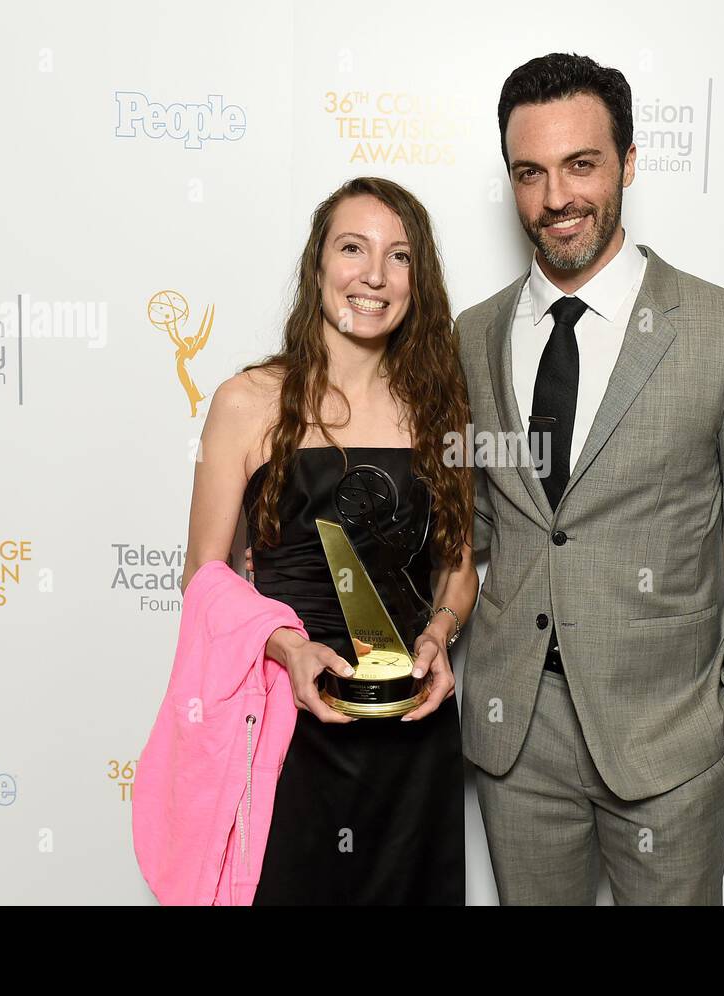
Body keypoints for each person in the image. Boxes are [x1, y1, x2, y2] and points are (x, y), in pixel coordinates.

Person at [454, 53, 724, 905]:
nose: (556, 197)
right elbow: (467, 528)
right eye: (529, 172)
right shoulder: (472, 335)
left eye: (582, 164)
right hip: (516, 744)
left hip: (668, 742)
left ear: (629, 162)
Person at [181, 176, 477, 905]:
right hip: (290, 726)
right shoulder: (247, 402)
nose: (374, 275)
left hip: (414, 736)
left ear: (419, 279)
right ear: (318, 265)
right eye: (354, 248)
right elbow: (202, 575)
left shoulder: (443, 408)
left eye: (399, 256)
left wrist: (441, 634)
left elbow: (460, 568)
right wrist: (287, 647)